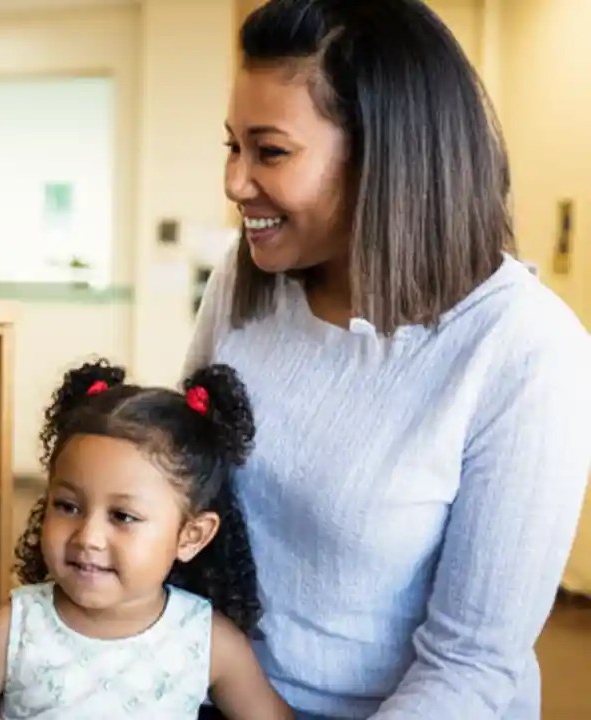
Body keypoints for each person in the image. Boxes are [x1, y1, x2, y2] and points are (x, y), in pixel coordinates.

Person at [190, 0, 591, 717]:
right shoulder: (245, 280)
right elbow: (179, 488)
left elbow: (470, 666)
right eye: (232, 146)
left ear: (385, 158)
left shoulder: (526, 349)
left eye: (270, 151)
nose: (235, 182)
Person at [0, 359, 294, 719]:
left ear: (191, 536)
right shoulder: (8, 630)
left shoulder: (210, 642)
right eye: (68, 506)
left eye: (123, 516)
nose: (88, 537)